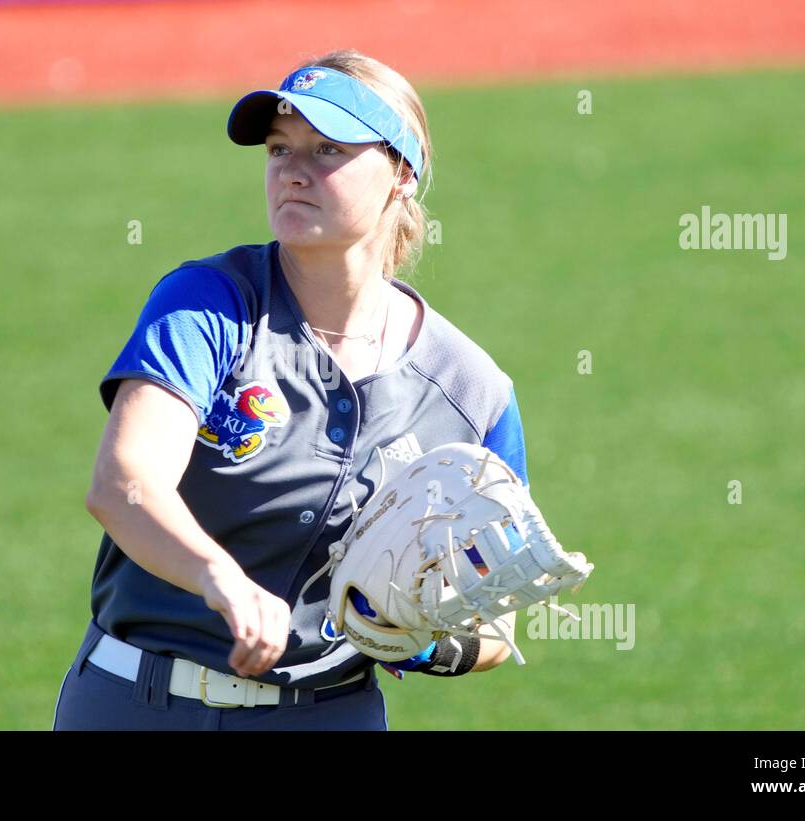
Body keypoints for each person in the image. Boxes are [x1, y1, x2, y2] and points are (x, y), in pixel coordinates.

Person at [53, 49, 529, 731]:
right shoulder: (210, 304)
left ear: (401, 173)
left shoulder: (468, 390)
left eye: (329, 148)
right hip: (139, 703)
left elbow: (497, 615)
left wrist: (421, 636)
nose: (293, 171)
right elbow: (123, 483)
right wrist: (222, 578)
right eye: (280, 149)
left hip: (328, 714)